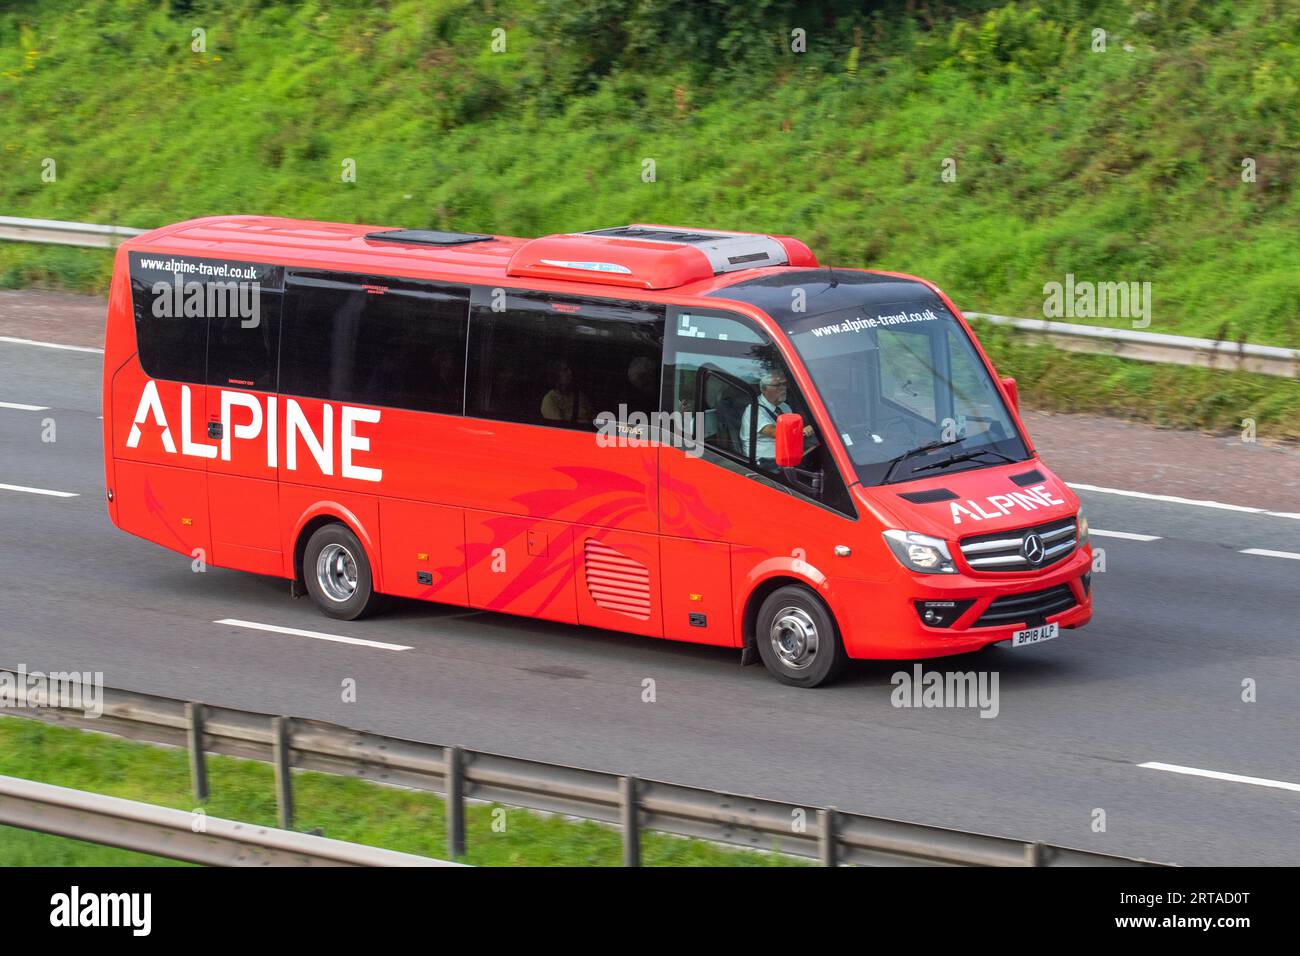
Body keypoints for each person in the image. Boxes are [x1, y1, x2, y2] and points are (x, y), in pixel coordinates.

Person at [740, 369, 814, 465]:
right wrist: (804, 431)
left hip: (786, 456)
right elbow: (776, 433)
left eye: (784, 384)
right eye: (777, 385)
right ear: (763, 389)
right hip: (765, 462)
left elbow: (793, 428)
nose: (783, 388)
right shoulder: (754, 409)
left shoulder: (784, 406)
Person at [540, 359, 593, 423]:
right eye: (565, 370)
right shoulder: (550, 400)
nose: (570, 372)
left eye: (569, 369)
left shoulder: (579, 396)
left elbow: (592, 417)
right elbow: (558, 428)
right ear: (555, 375)